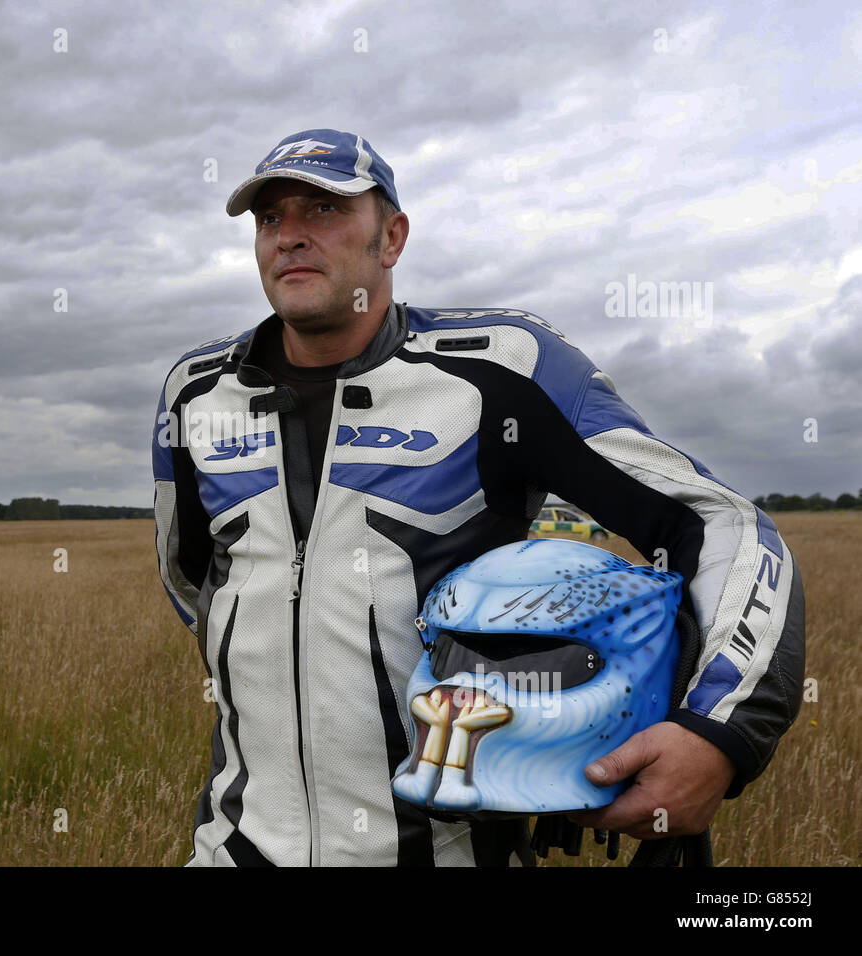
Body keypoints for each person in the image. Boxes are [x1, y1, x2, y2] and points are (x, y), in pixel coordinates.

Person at [150, 129, 806, 866]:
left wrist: (717, 729)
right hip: (233, 850)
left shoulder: (503, 369)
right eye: (271, 217)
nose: (291, 235)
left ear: (391, 238)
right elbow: (197, 582)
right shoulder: (198, 392)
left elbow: (717, 524)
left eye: (324, 210)